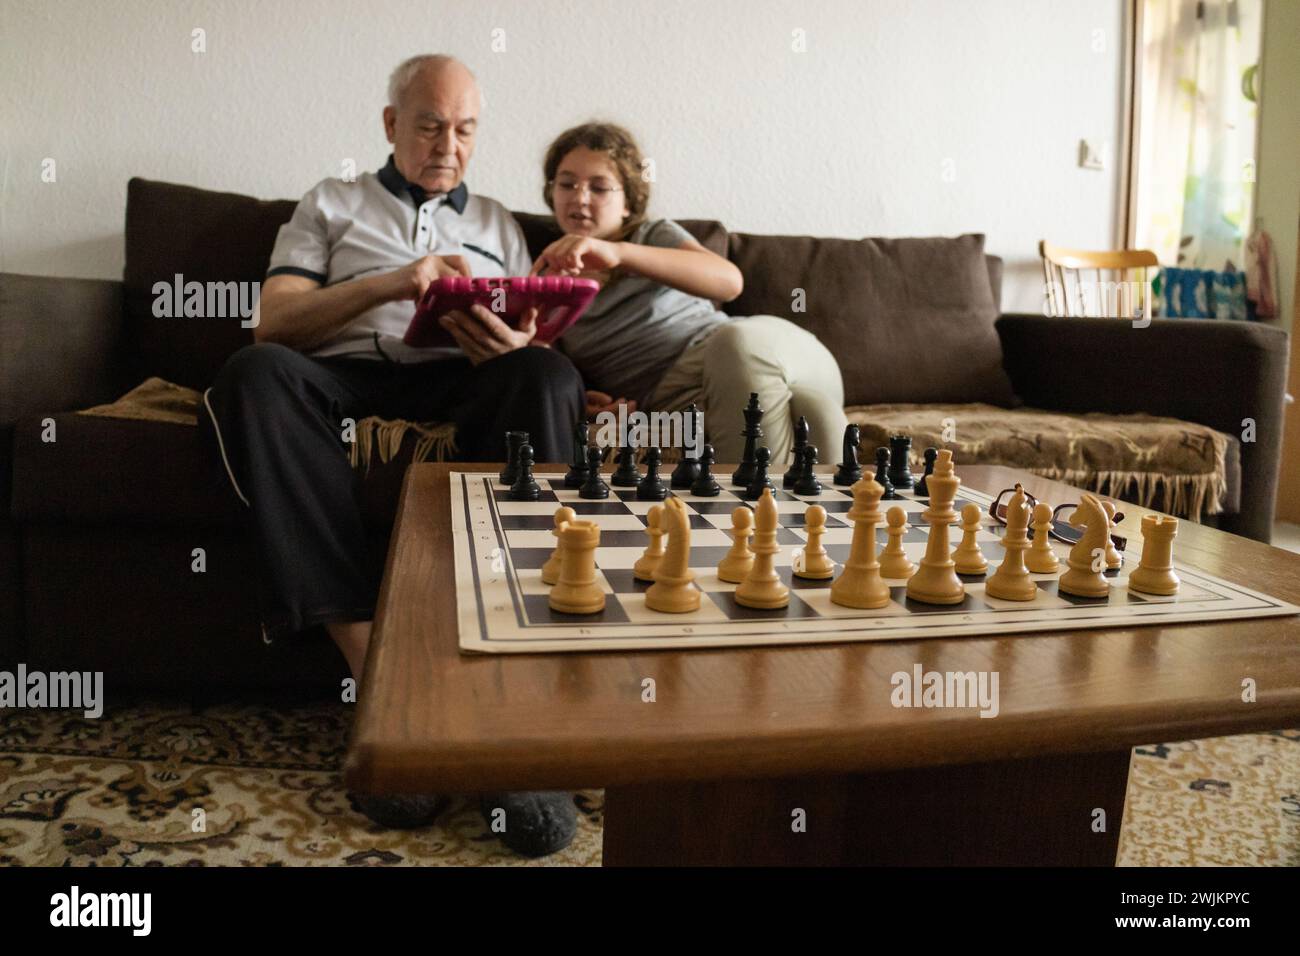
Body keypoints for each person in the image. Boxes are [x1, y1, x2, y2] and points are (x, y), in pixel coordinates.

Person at [200, 55, 582, 856]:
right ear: (390, 125)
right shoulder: (330, 203)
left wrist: (509, 344)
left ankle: (513, 692)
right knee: (254, 374)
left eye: (466, 129)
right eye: (430, 125)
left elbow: (524, 338)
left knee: (544, 373)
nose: (449, 145)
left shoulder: (502, 227)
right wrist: (393, 284)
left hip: (455, 376)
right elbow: (275, 322)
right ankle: (379, 681)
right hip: (340, 375)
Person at [531, 122, 848, 465]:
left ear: (628, 203)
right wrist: (586, 401)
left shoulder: (650, 235)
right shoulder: (545, 275)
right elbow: (552, 365)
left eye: (600, 187)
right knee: (815, 415)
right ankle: (824, 517)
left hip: (763, 352)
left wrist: (620, 254)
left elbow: (728, 282)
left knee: (736, 345)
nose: (580, 197)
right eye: (567, 184)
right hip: (684, 398)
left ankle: (750, 514)